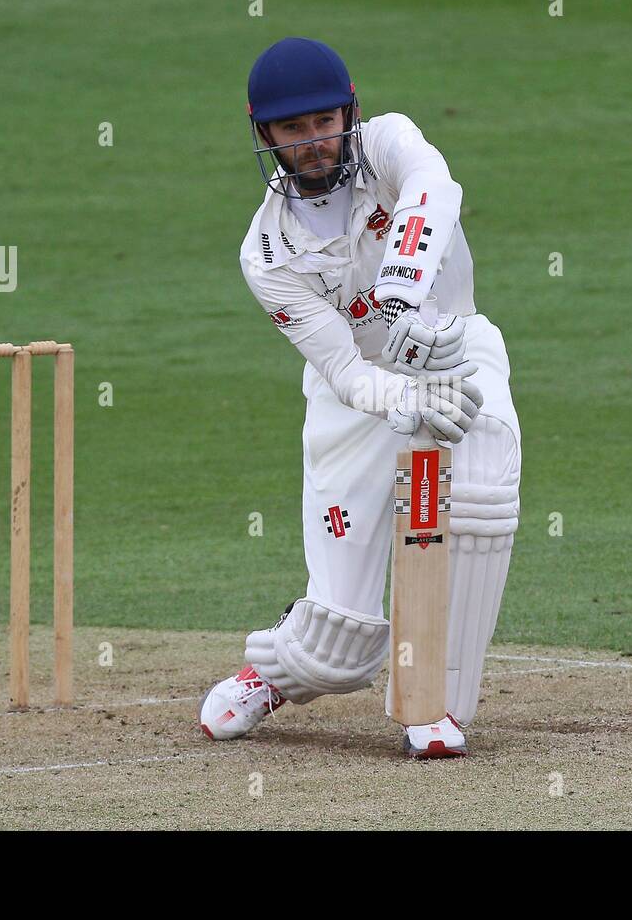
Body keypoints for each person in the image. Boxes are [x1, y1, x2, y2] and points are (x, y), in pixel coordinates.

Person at [198, 37, 521, 758]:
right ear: (266, 137)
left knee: (484, 492)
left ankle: (434, 704)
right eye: (292, 129)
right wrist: (399, 401)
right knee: (338, 651)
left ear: (350, 111)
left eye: (323, 121)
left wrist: (404, 296)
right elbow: (343, 370)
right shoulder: (267, 252)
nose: (313, 142)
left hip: (456, 348)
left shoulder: (387, 143)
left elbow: (436, 188)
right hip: (359, 399)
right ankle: (277, 669)